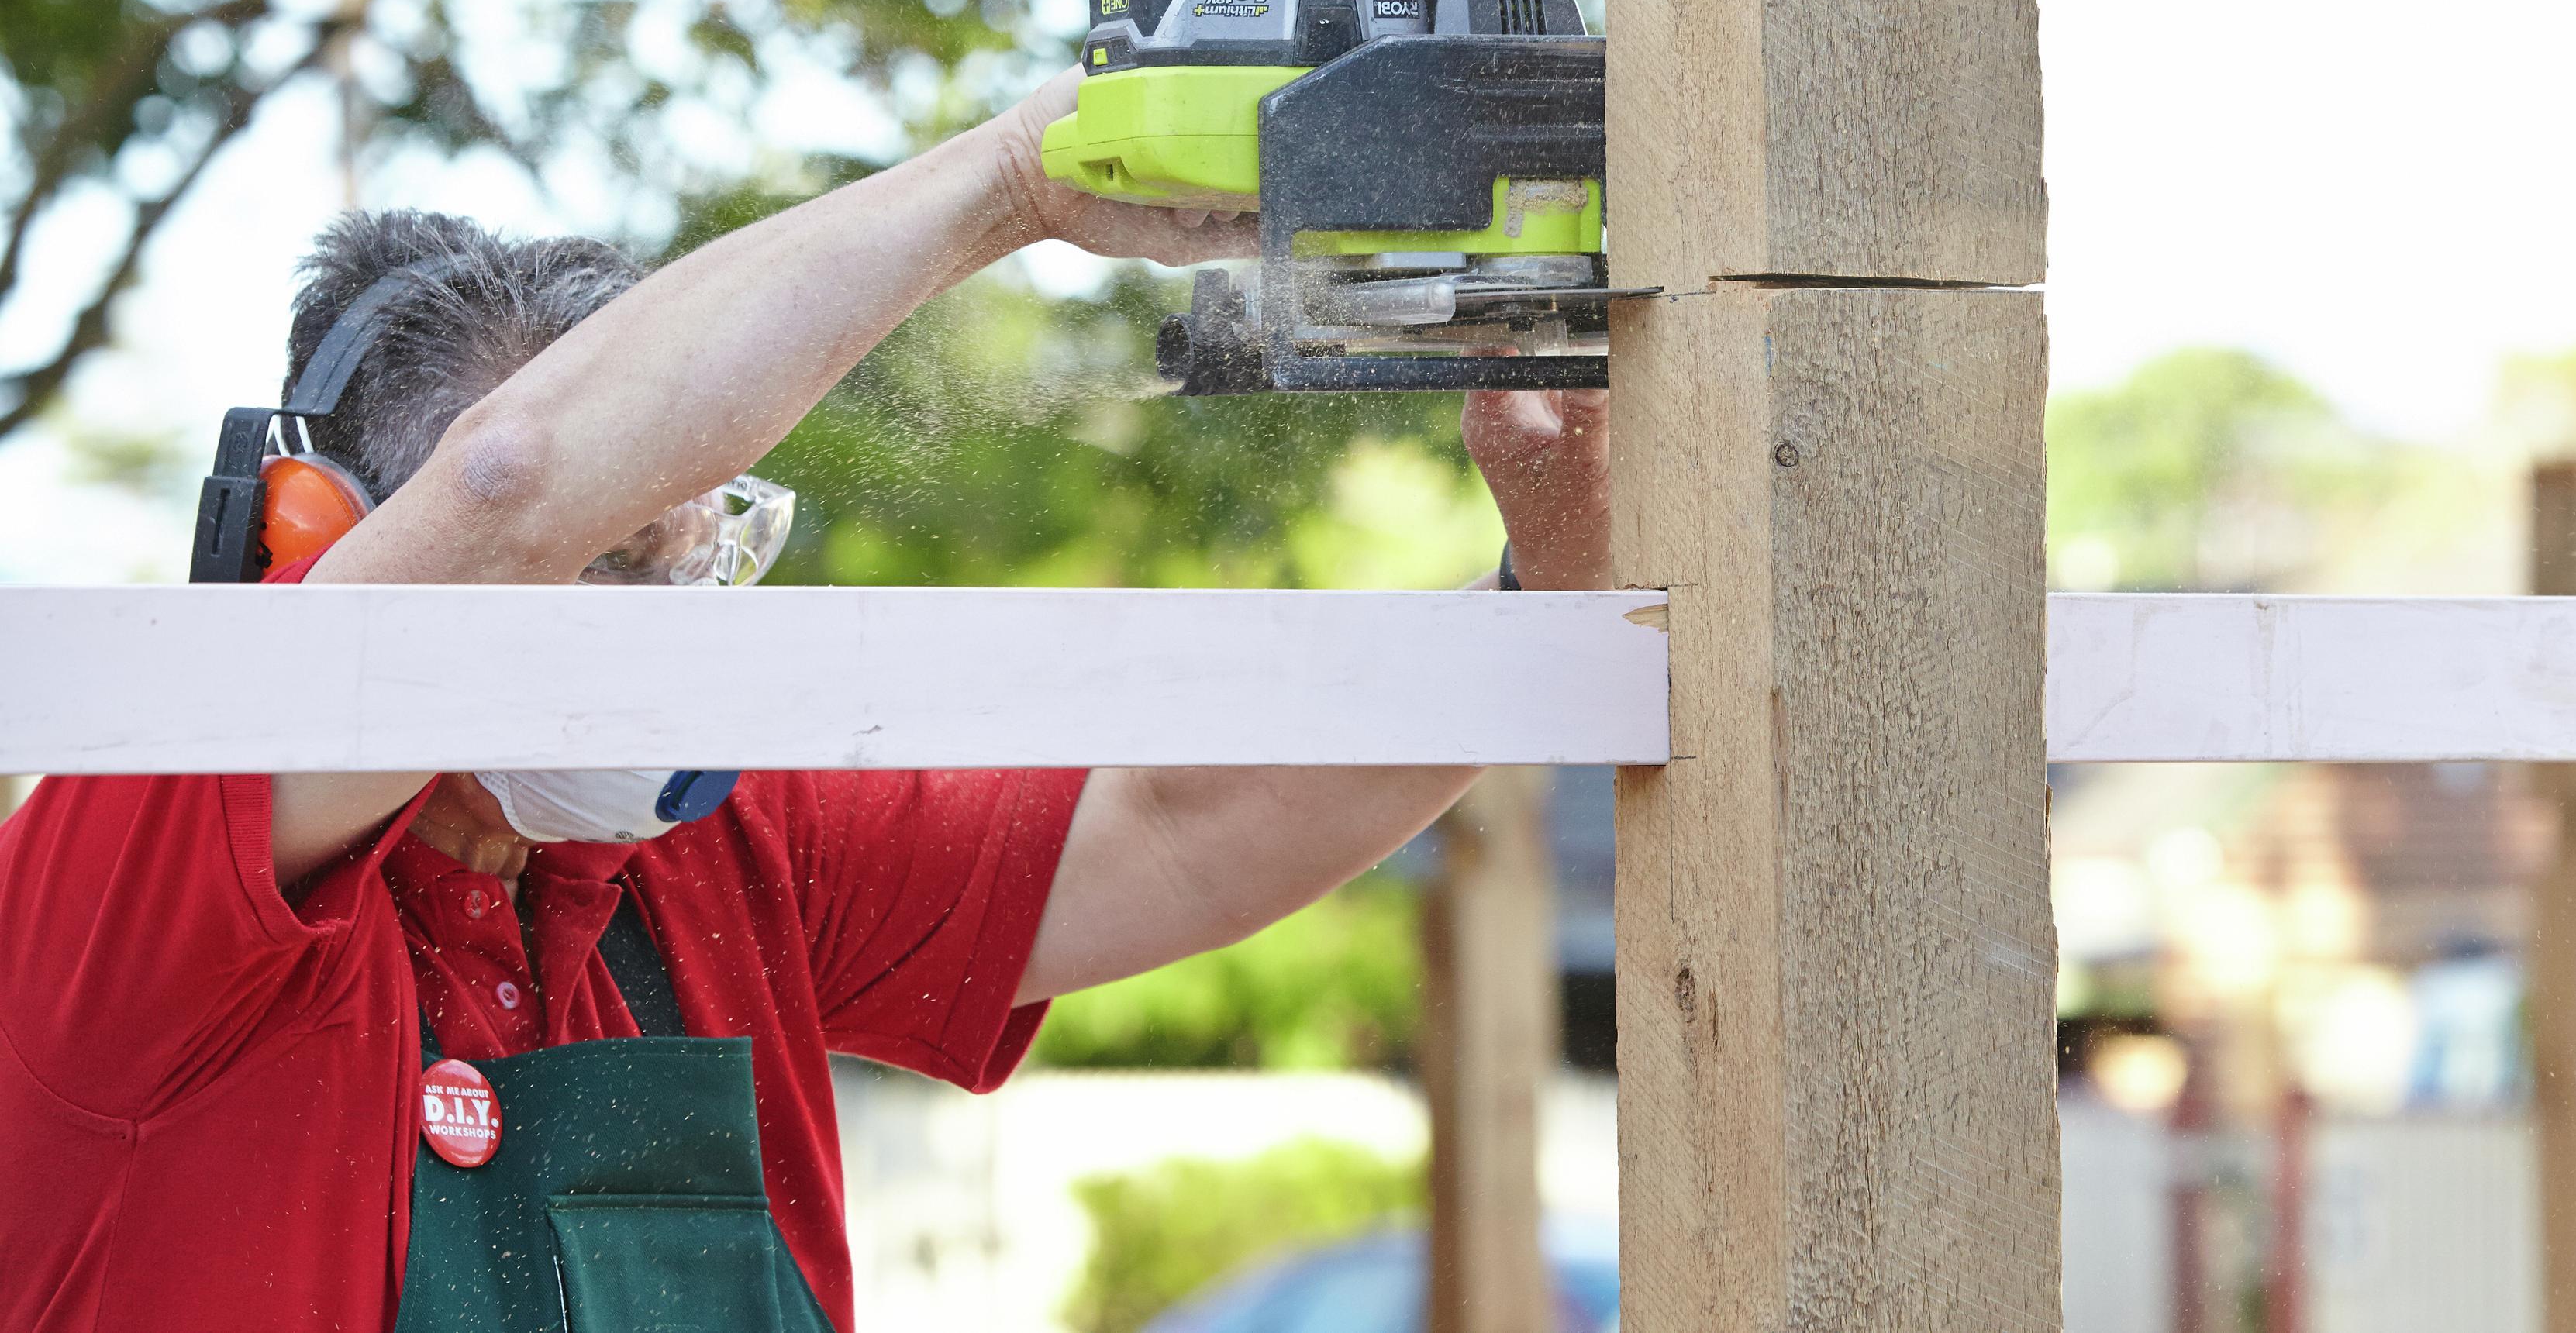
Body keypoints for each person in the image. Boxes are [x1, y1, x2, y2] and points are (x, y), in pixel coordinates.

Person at [0, 67, 1612, 1333]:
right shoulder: (143, 854)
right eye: (611, 560)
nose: (677, 632)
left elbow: (1173, 828)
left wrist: (1534, 609)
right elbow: (510, 481)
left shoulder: (716, 857)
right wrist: (1008, 185)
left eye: (698, 551)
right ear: (320, 553)